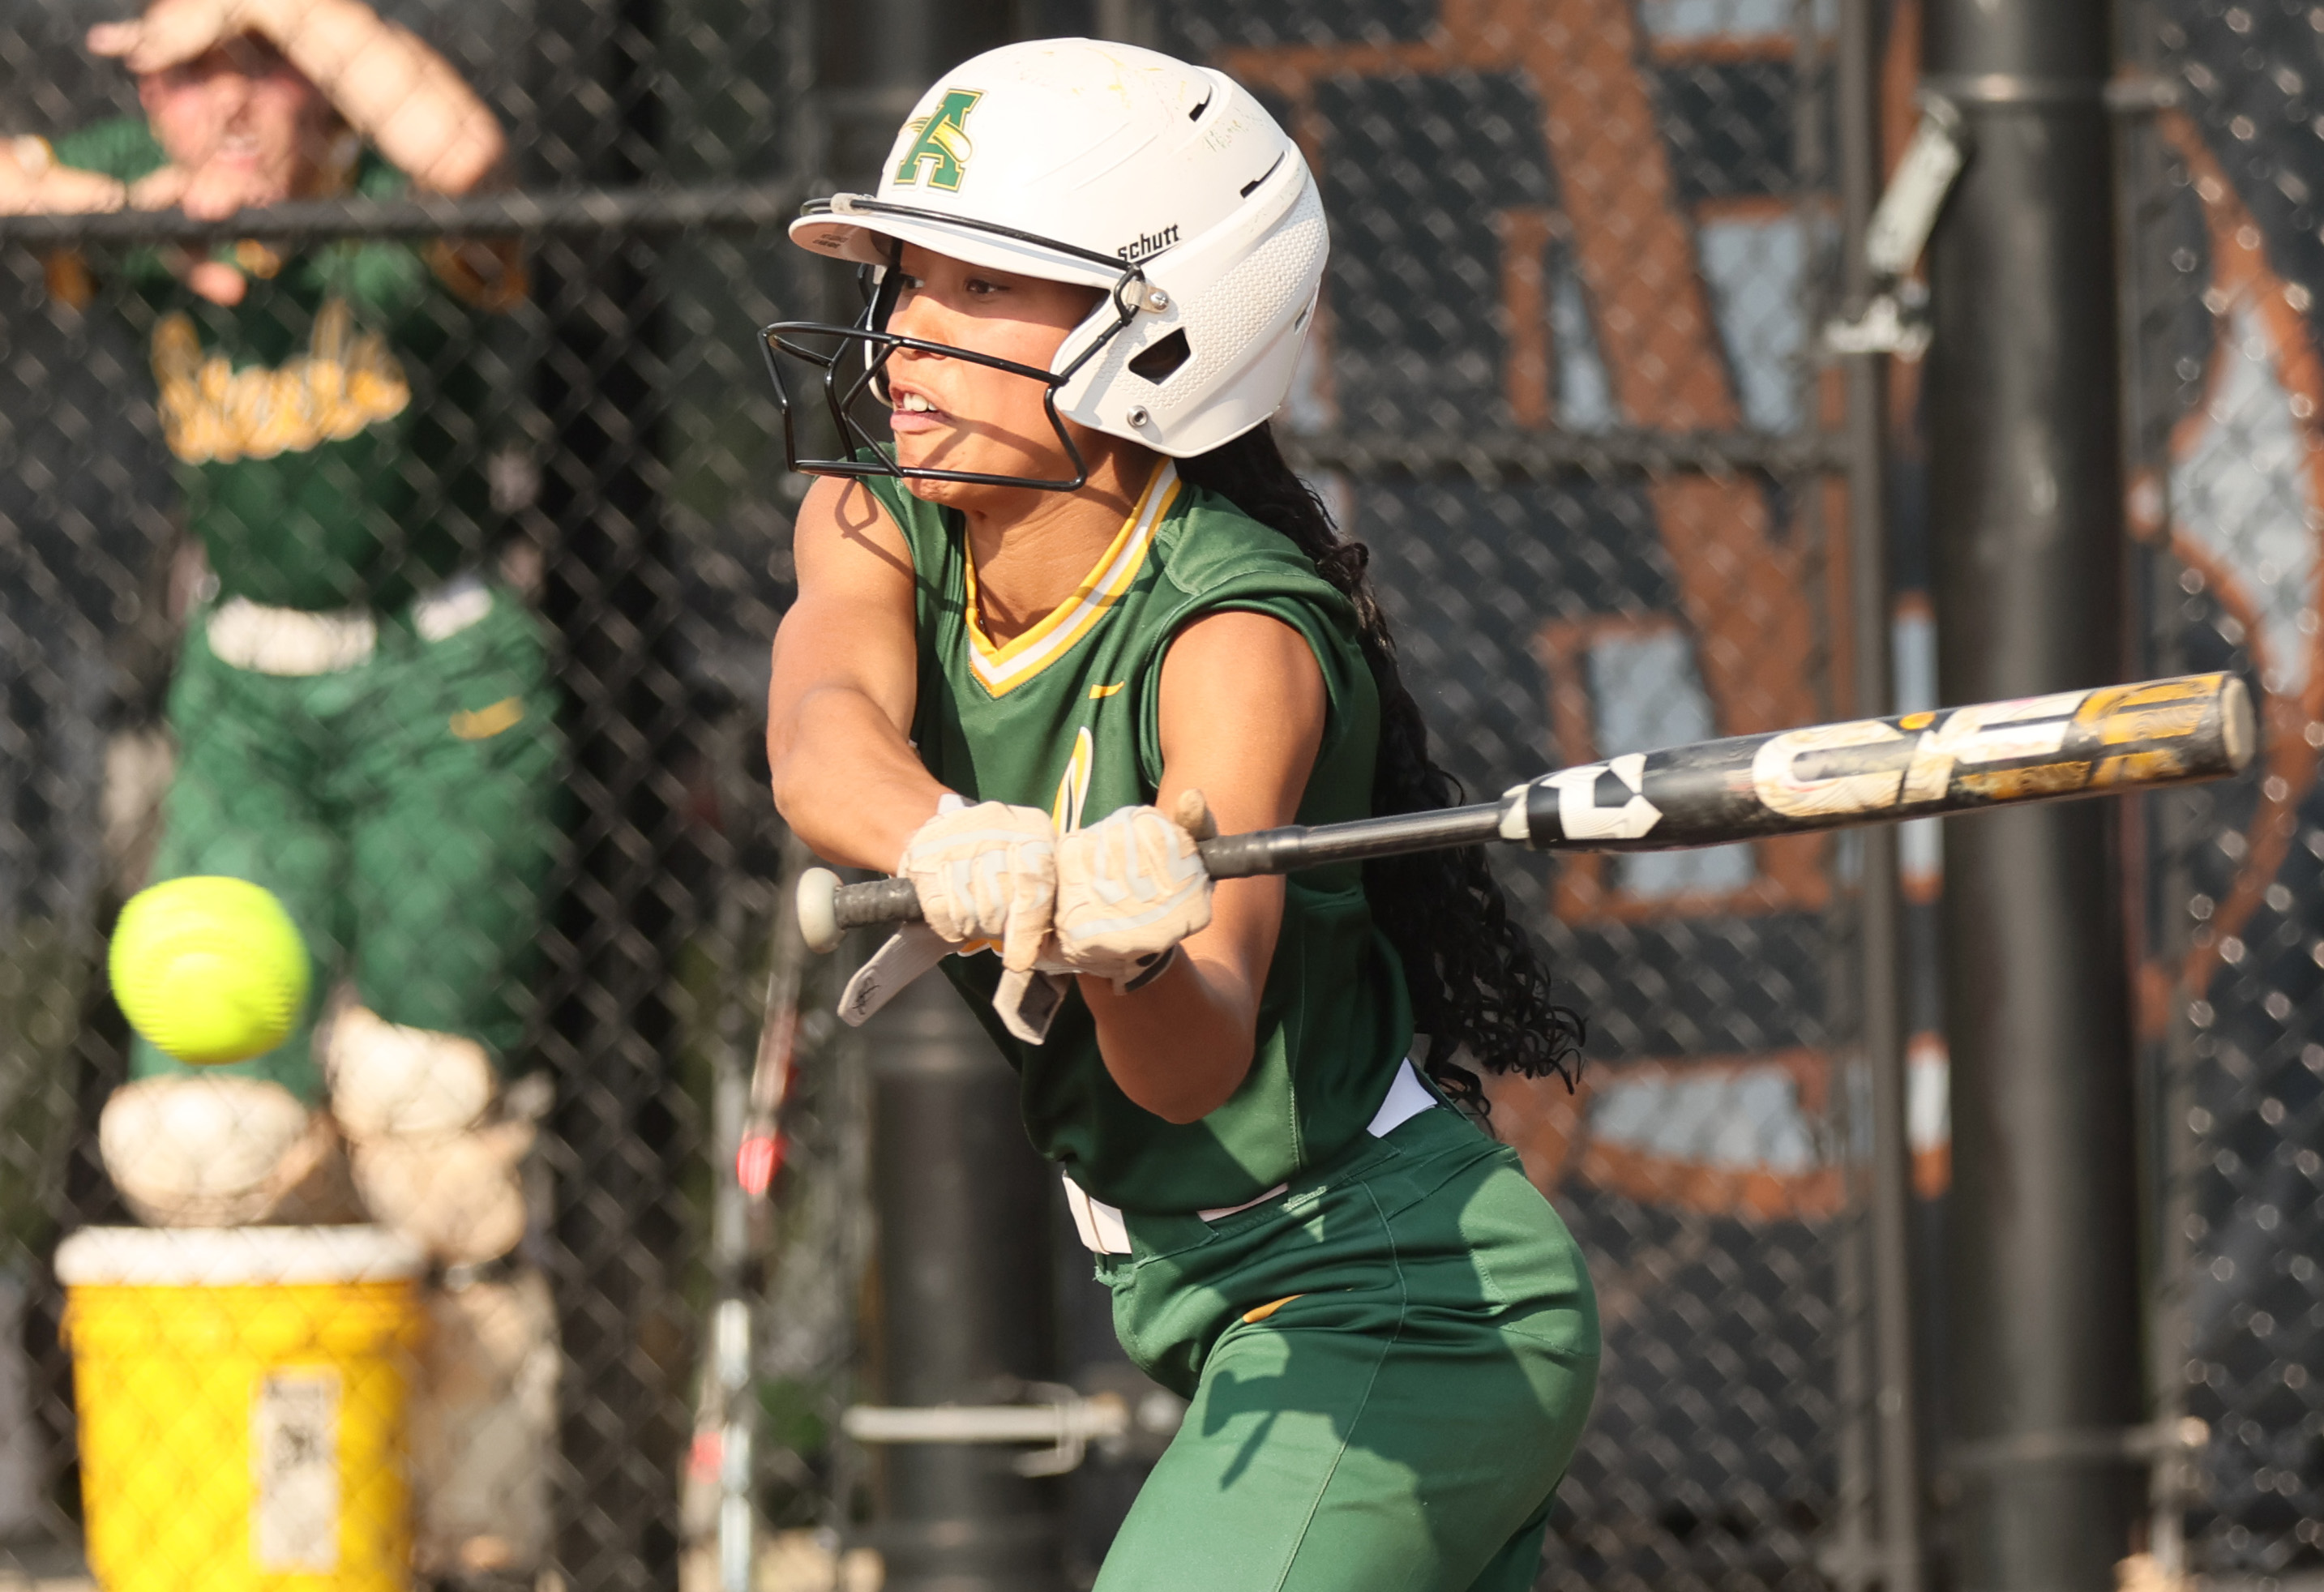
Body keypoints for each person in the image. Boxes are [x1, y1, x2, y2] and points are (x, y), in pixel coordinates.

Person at [764, 38, 1600, 1591]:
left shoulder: (1237, 639)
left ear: (1164, 335)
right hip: (1226, 1308)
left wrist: (1134, 950)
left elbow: (1192, 1065)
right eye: (905, 280)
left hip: (1395, 1295)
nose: (904, 341)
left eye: (982, 290)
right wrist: (948, 833)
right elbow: (823, 741)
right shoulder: (877, 514)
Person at [0, 1, 559, 1570]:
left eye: (254, 64)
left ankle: (471, 1534)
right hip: (246, 684)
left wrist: (296, 15)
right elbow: (21, 173)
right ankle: (282, 1531)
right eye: (184, 75)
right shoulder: (145, 177)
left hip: (441, 680)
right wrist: (145, 209)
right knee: (202, 1139)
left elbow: (466, 157)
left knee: (431, 1129)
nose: (220, 104)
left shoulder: (382, 204)